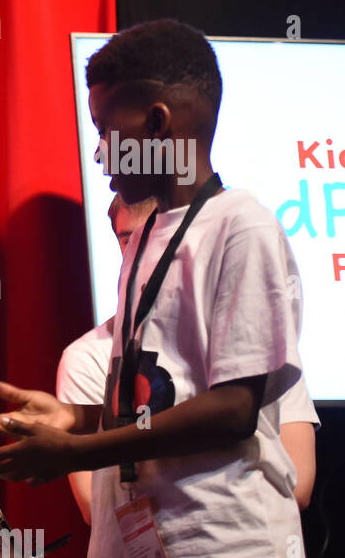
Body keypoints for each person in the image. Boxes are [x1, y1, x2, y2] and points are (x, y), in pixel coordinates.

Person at [0, 19, 310, 558]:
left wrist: (76, 452)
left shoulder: (241, 225)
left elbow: (232, 409)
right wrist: (75, 416)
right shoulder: (144, 241)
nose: (98, 153)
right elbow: (161, 399)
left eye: (106, 128)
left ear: (157, 122)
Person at [59, 194, 320, 523]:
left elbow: (297, 486)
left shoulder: (255, 338)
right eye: (129, 241)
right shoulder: (87, 357)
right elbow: (97, 508)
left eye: (158, 238)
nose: (143, 252)